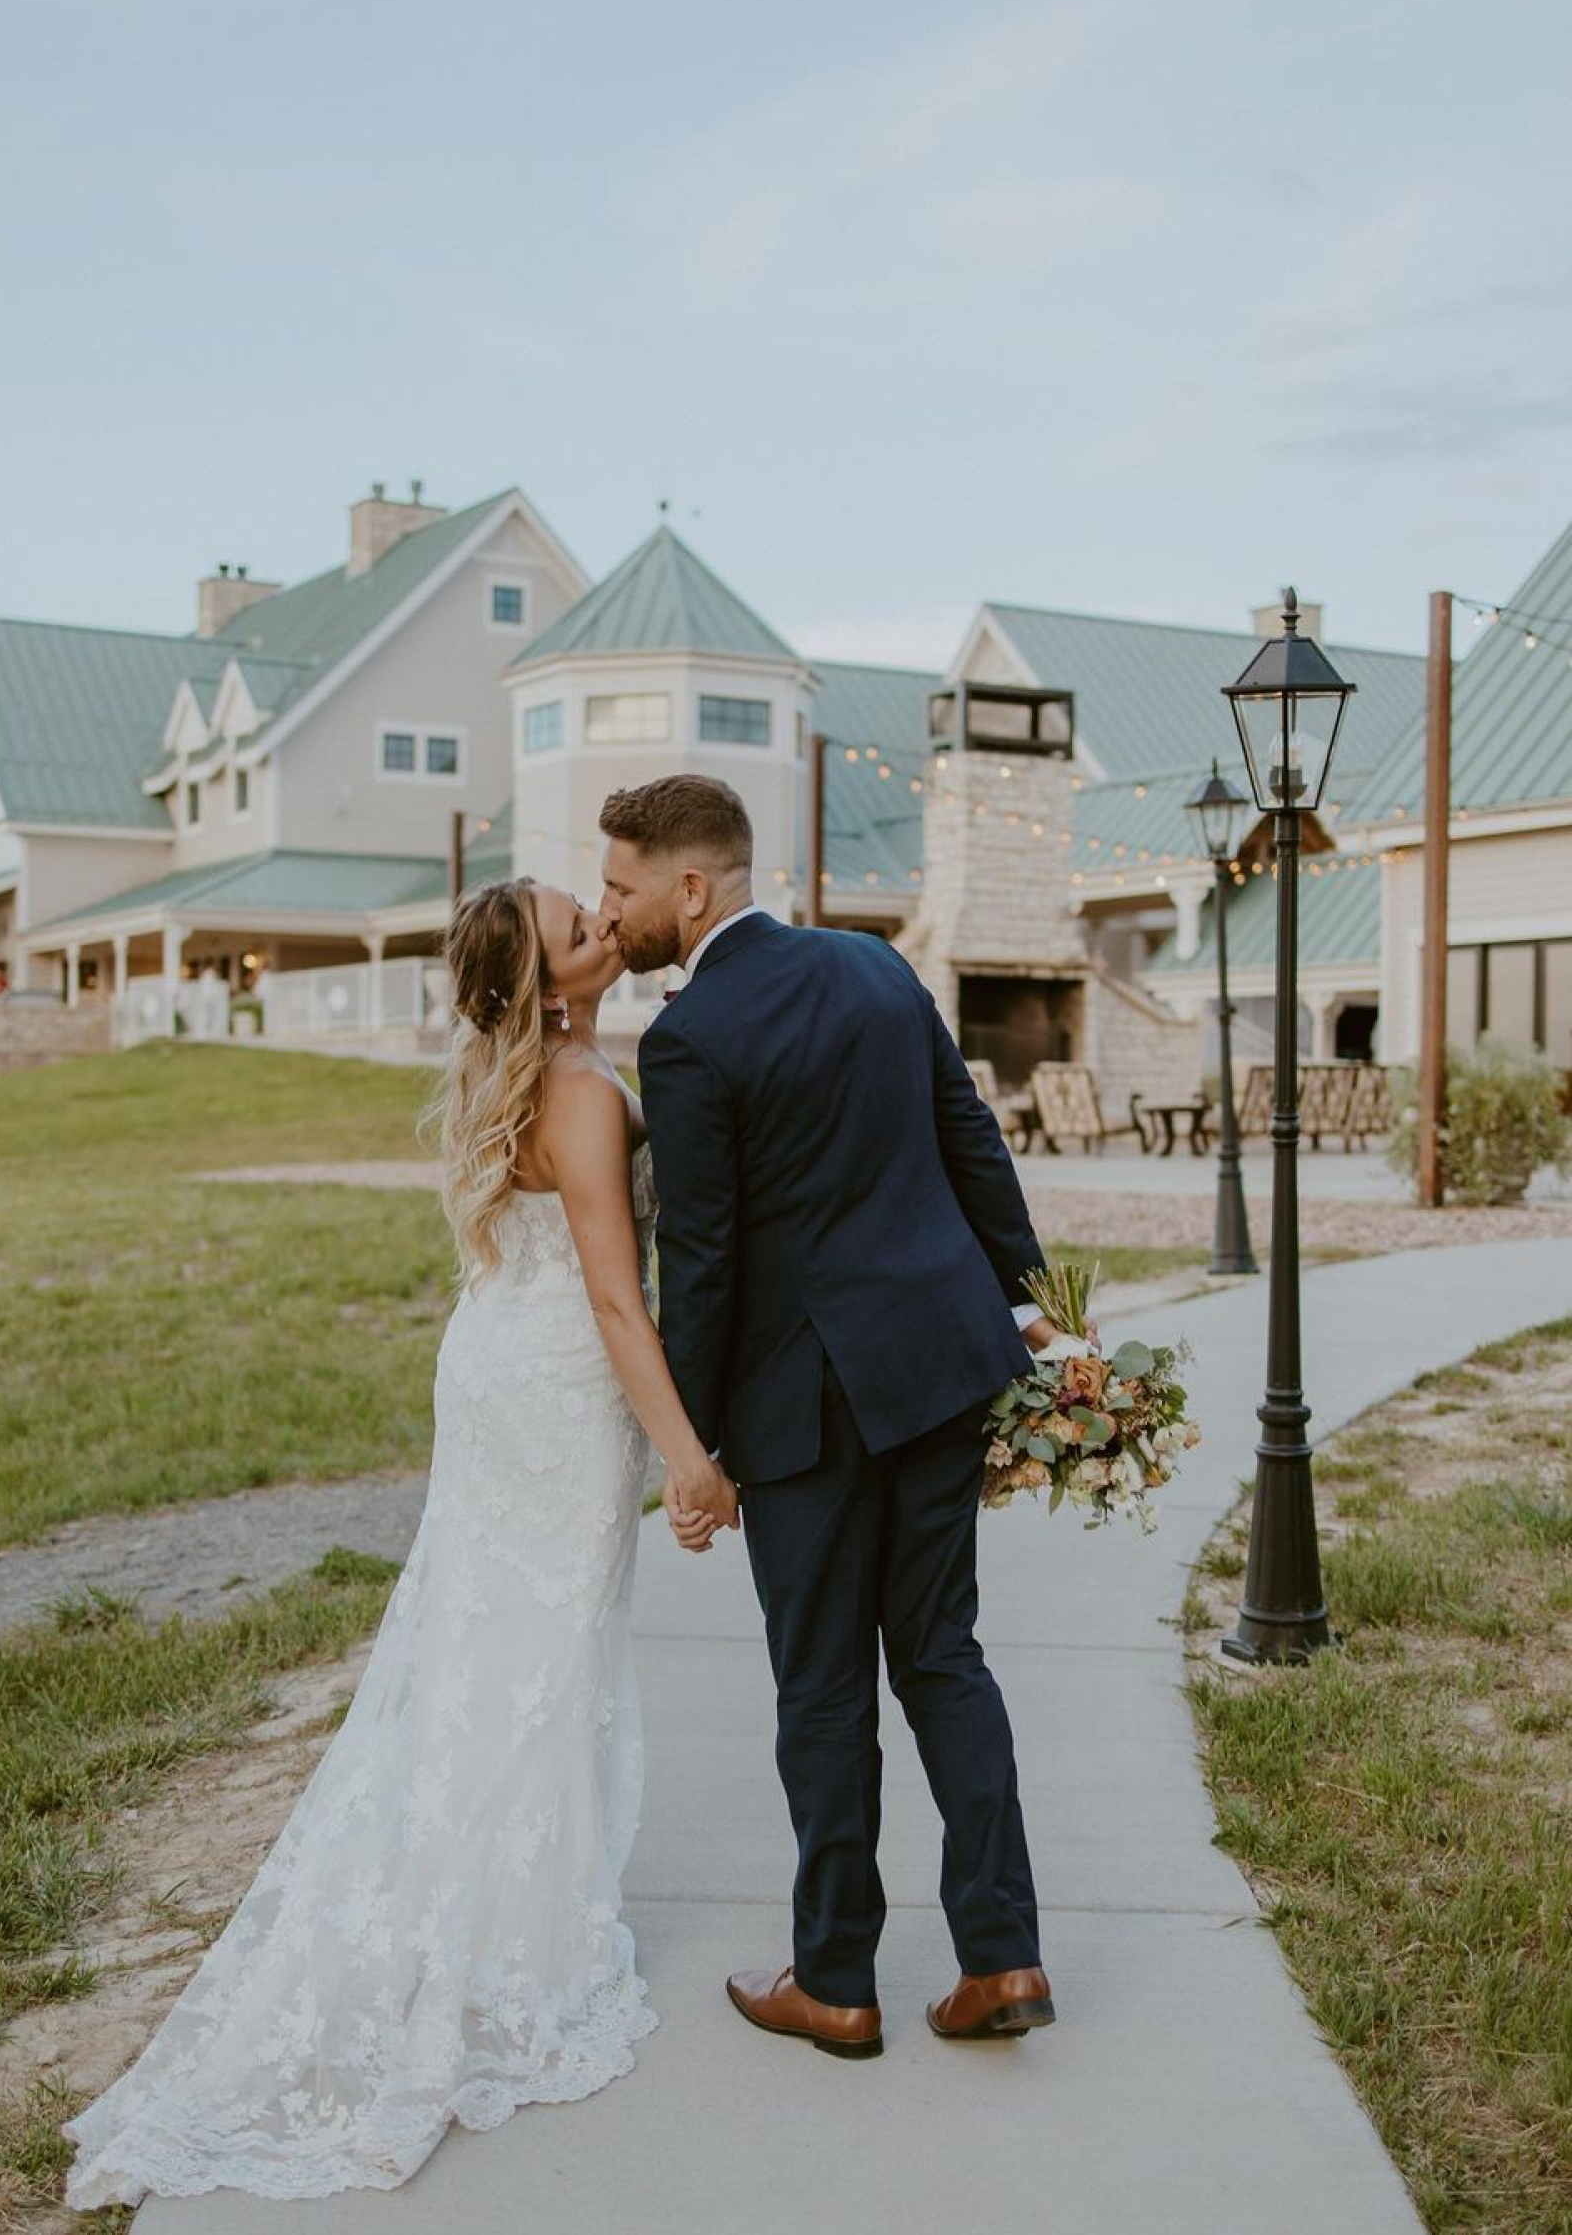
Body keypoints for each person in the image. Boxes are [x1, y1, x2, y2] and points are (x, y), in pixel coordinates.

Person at [63, 877, 730, 2206]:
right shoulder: (588, 1094)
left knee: (489, 1650)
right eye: (577, 928)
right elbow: (612, 1289)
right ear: (548, 985)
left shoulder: (532, 1075)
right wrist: (688, 1452)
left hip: (491, 1363)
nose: (605, 924)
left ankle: (500, 1909)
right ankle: (517, 1947)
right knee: (538, 1654)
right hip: (553, 1386)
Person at [599, 772, 1061, 2061]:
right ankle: (1003, 1955)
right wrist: (1034, 1310)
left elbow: (700, 1260)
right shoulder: (875, 970)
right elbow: (972, 1140)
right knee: (944, 1658)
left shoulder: (687, 1039)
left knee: (820, 1690)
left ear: (691, 889)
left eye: (623, 888)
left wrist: (698, 1445)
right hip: (938, 1376)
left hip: (801, 1413)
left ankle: (838, 1980)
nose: (611, 912)